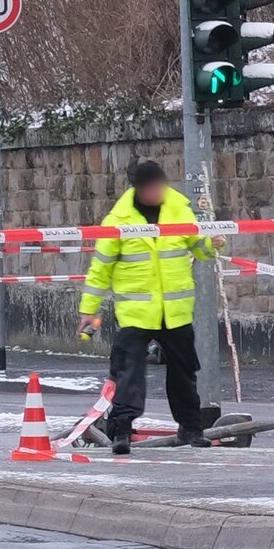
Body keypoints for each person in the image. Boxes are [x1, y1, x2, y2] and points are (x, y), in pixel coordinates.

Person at [77, 159, 215, 451]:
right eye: (151, 188)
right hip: (136, 312)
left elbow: (199, 248)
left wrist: (214, 243)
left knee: (184, 373)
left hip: (175, 312)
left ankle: (191, 429)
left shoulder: (179, 210)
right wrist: (89, 310)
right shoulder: (118, 221)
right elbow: (100, 270)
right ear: (138, 189)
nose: (157, 192)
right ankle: (121, 431)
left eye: (160, 186)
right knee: (128, 373)